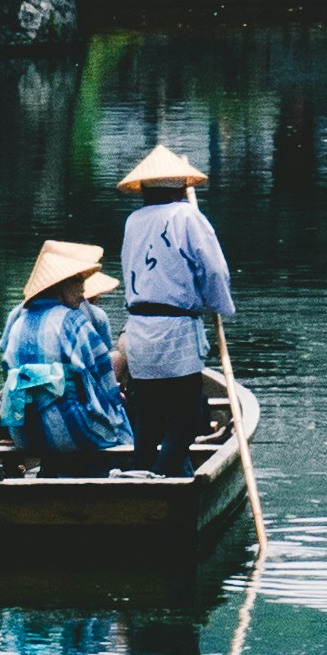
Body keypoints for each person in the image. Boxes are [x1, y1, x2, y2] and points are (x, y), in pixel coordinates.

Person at [115, 144, 236, 462]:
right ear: (181, 187)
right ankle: (164, 477)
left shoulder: (133, 221)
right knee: (186, 420)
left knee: (148, 419)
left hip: (139, 329)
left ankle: (140, 475)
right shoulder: (188, 216)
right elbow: (213, 270)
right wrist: (219, 305)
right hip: (176, 331)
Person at [0, 238, 136, 464]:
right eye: (78, 280)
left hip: (24, 437)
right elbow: (104, 383)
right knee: (120, 422)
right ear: (61, 284)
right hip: (70, 435)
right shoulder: (74, 322)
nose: (83, 289)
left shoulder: (18, 322)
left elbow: (7, 375)